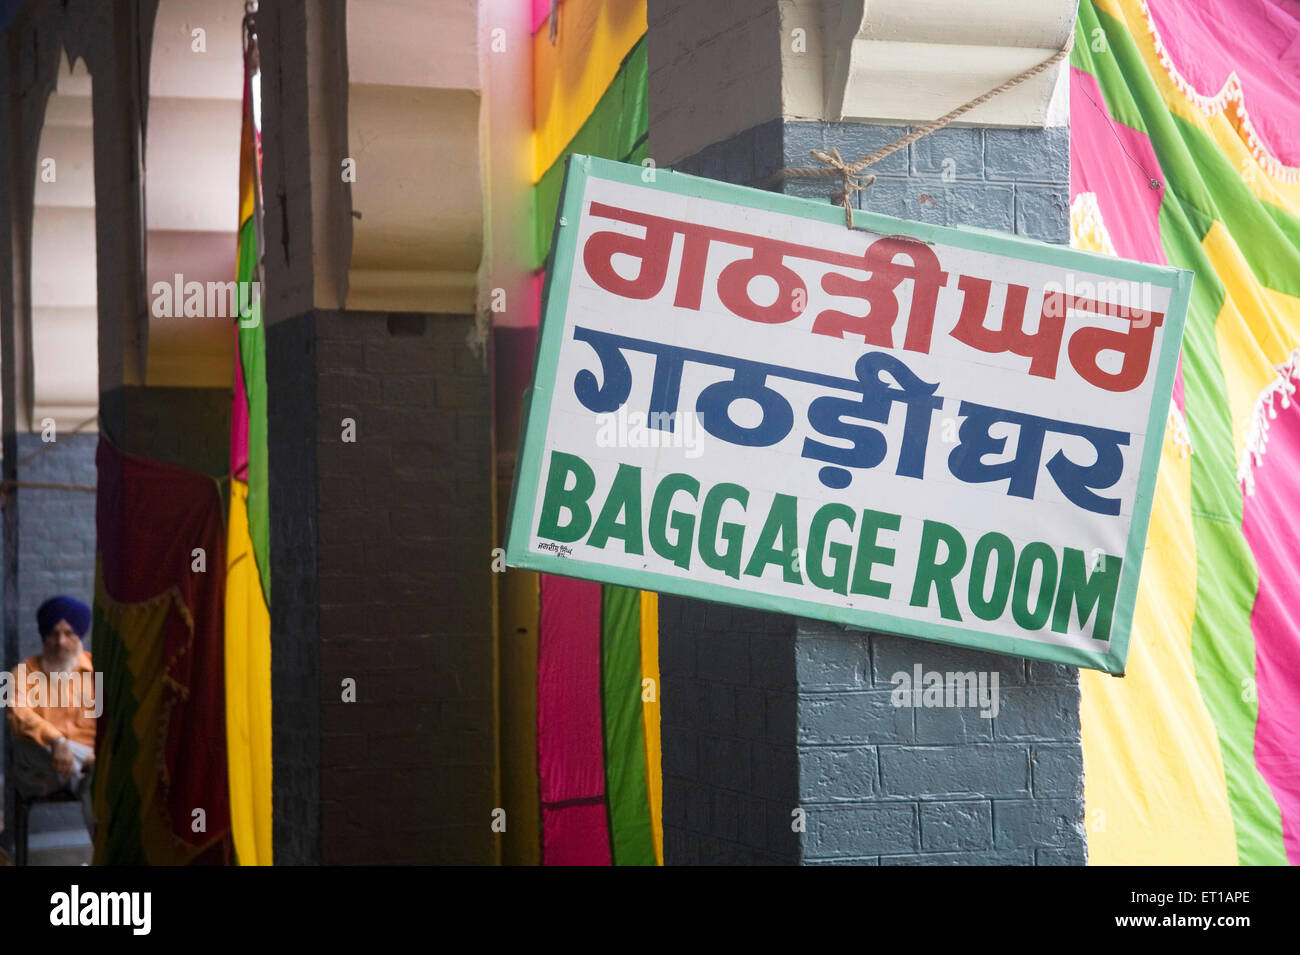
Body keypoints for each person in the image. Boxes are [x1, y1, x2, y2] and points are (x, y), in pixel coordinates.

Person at [7, 596, 98, 832]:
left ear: (80, 636)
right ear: (43, 636)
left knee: (98, 781)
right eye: (53, 633)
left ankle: (103, 852)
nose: (60, 642)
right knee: (32, 745)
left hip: (85, 773)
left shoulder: (97, 671)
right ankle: (87, 761)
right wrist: (57, 740)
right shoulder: (24, 672)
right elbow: (17, 714)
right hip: (40, 771)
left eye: (69, 633)